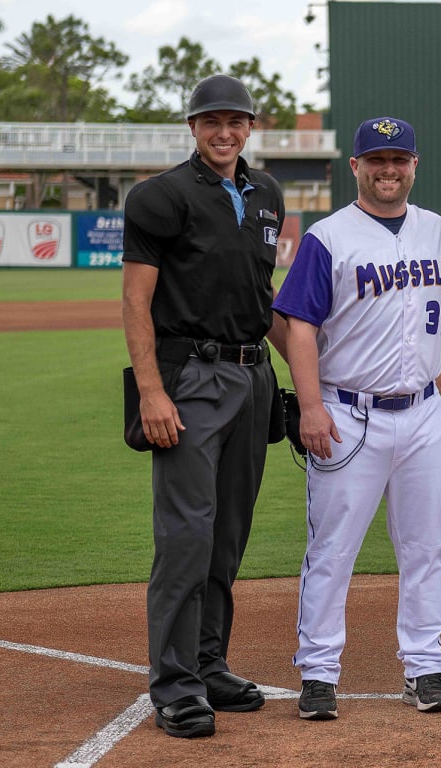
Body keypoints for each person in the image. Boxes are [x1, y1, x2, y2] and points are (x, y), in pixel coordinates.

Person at [121, 74, 288, 738]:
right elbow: (136, 303)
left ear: (250, 126)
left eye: (236, 121)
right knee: (186, 537)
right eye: (212, 121)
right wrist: (152, 391)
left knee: (227, 536)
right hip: (188, 377)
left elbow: (264, 301)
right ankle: (175, 684)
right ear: (193, 127)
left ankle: (208, 662)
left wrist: (314, 373)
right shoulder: (159, 197)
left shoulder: (267, 194)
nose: (225, 132)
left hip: (252, 378)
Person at [273, 117, 441, 721]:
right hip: (349, 413)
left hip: (425, 411)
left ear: (414, 163)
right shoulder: (329, 237)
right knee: (331, 550)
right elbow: (298, 324)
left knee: (425, 548)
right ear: (354, 167)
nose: (388, 169)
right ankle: (319, 671)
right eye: (376, 159)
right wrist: (311, 406)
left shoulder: (435, 229)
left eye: (398, 158)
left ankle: (425, 665)